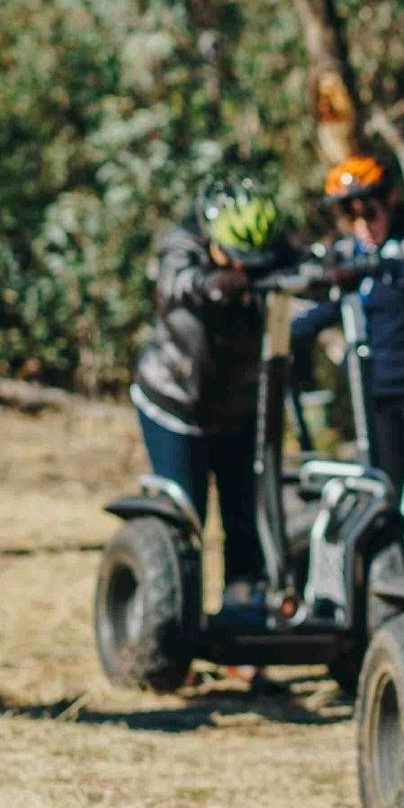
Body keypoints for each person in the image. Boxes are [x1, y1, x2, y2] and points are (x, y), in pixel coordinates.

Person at [131, 177, 290, 622]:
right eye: (236, 258)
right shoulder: (181, 248)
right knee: (184, 521)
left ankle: (240, 626)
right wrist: (216, 282)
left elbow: (306, 262)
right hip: (176, 405)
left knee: (244, 520)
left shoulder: (266, 252)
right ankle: (173, 632)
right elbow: (178, 280)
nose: (245, 269)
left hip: (237, 411)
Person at [290, 155, 404, 488]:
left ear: (389, 200)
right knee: (386, 490)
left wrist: (378, 267)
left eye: (368, 212)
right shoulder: (348, 253)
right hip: (375, 394)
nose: (362, 225)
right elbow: (330, 307)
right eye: (348, 215)